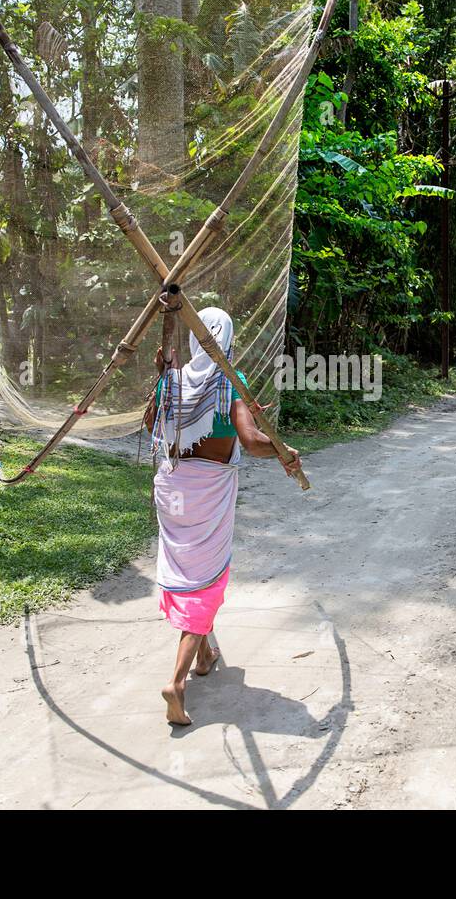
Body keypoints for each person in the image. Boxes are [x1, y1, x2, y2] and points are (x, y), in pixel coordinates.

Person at [143, 305, 302, 727]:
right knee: (207, 581)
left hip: (172, 487)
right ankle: (176, 682)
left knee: (185, 569)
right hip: (210, 492)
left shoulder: (174, 380)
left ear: (196, 339)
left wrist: (163, 377)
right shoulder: (230, 381)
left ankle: (206, 655)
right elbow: (250, 442)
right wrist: (283, 451)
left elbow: (152, 430)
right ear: (226, 339)